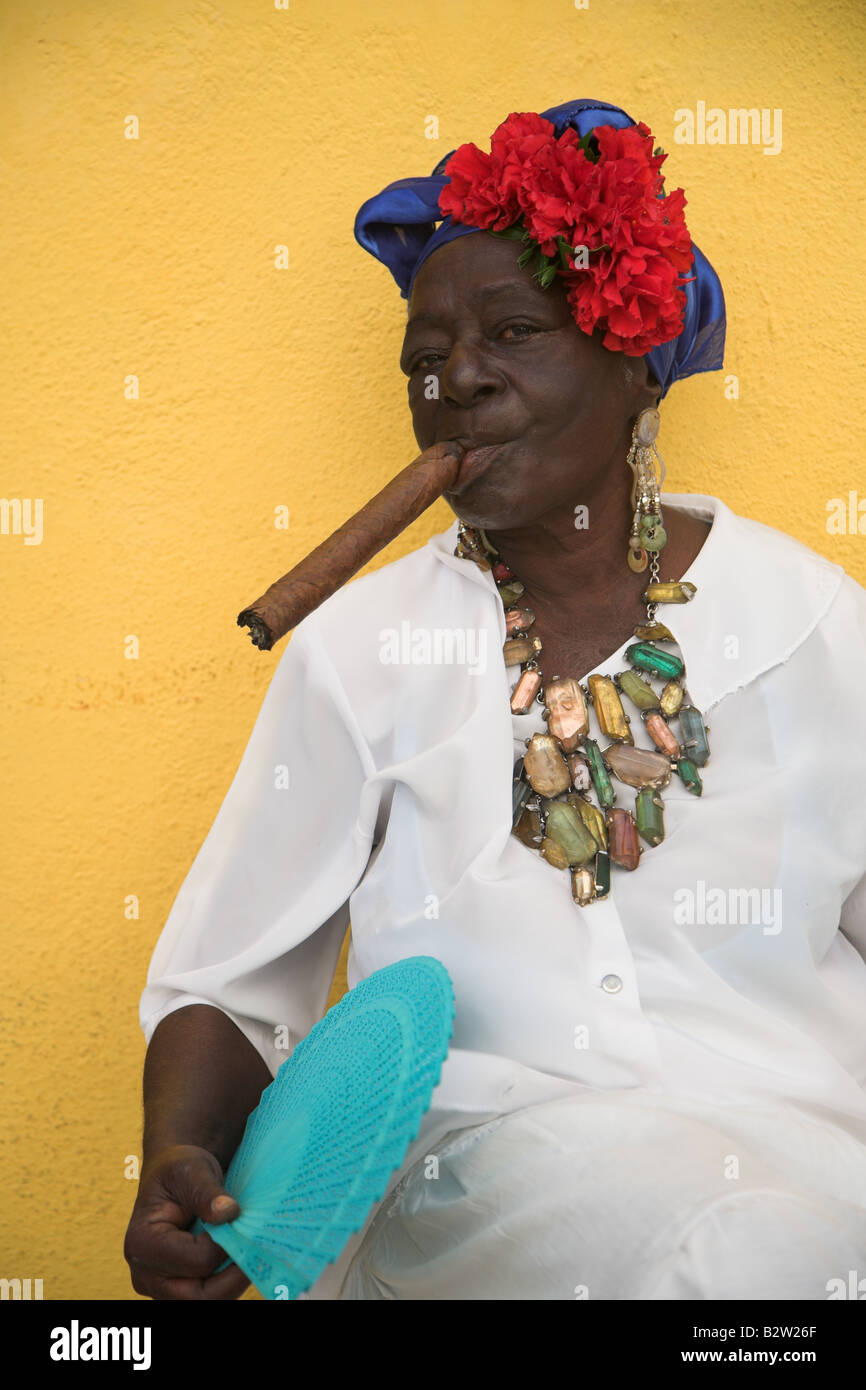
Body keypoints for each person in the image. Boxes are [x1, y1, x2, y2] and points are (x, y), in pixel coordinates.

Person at [124, 99, 866, 1301]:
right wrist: (179, 1152)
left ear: (634, 361)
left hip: (816, 1175)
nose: (454, 377)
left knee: (777, 1251)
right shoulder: (360, 651)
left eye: (510, 332)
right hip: (474, 1197)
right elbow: (235, 980)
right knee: (742, 1262)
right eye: (423, 360)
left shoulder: (816, 624)